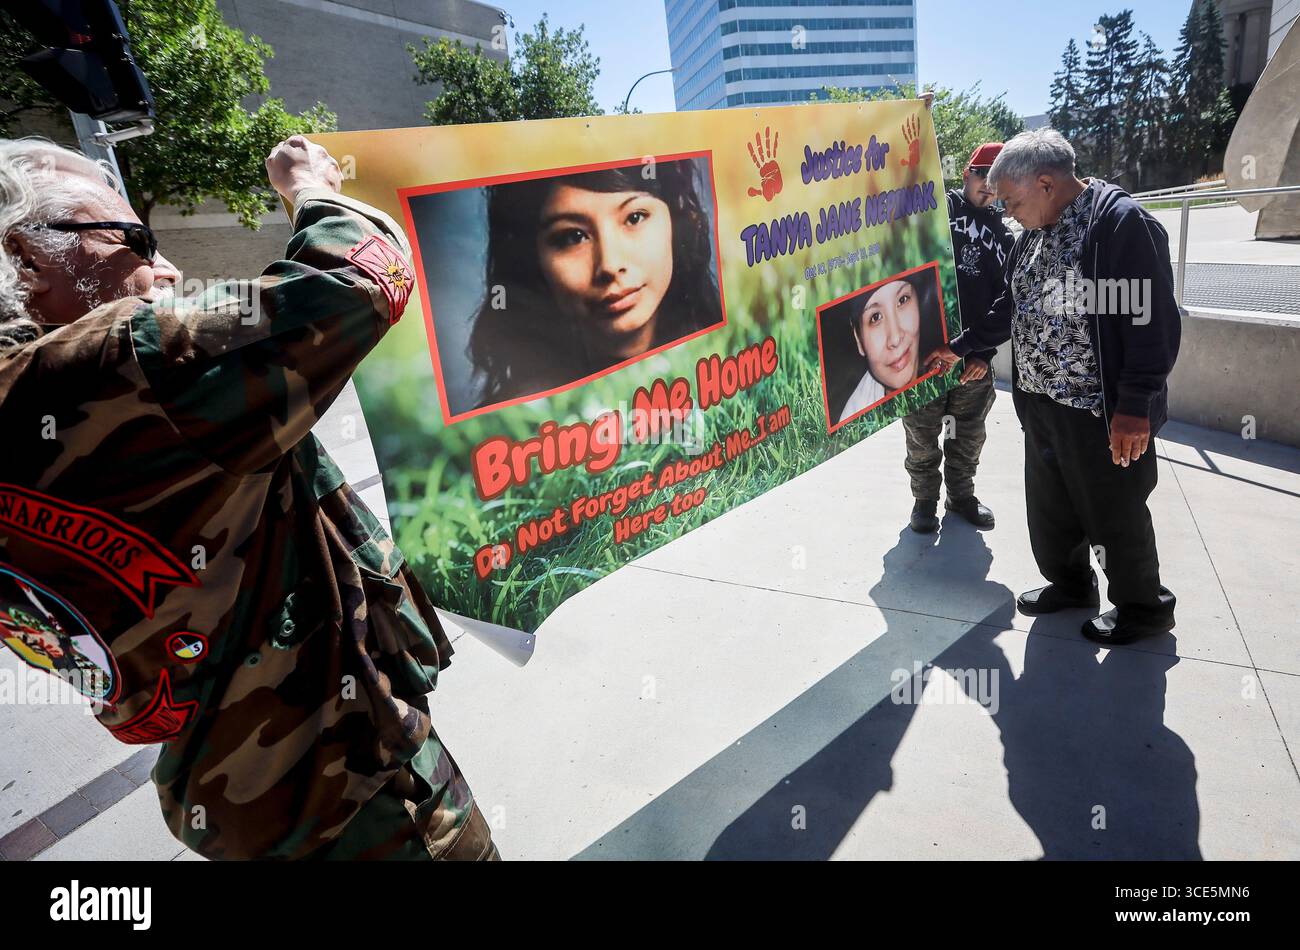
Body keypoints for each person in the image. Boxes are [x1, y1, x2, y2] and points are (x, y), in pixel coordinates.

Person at [0, 135, 498, 859]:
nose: (164, 267)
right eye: (130, 238)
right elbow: (359, 280)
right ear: (24, 257)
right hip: (355, 798)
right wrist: (313, 189)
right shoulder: (106, 369)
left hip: (228, 803)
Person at [925, 129, 1180, 646]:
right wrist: (967, 346)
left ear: (1045, 183)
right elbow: (1010, 306)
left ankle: (1143, 608)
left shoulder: (1117, 225)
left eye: (1013, 202)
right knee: (1051, 507)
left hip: (1098, 410)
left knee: (1114, 513)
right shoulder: (1033, 233)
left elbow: (1151, 324)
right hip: (1040, 400)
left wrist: (1135, 404)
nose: (1008, 213)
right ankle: (1069, 584)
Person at [467, 159, 723, 409]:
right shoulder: (520, 420)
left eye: (634, 217)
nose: (610, 265)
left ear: (678, 221)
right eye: (573, 237)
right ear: (532, 259)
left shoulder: (725, 351)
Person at [903, 142, 1014, 533]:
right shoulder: (939, 208)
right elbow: (906, 186)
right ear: (967, 173)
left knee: (968, 434)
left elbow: (1007, 302)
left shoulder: (1004, 235)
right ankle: (924, 501)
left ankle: (961, 496)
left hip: (974, 358)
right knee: (922, 433)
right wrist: (917, 124)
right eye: (984, 179)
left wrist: (983, 354)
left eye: (998, 183)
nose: (990, 190)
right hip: (928, 351)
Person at [837, 270, 940, 424]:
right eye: (875, 317)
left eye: (903, 300)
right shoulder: (854, 418)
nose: (895, 338)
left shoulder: (946, 358)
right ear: (858, 339)